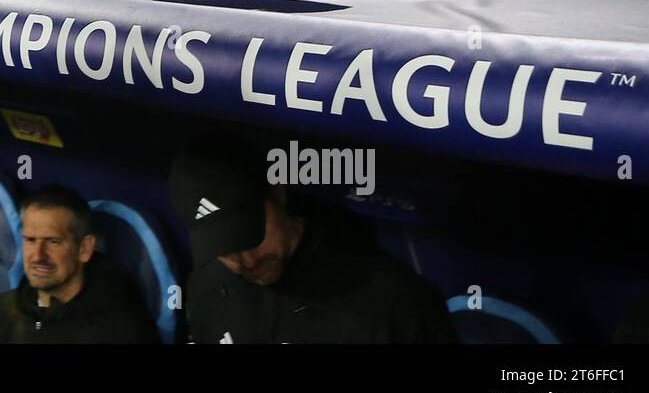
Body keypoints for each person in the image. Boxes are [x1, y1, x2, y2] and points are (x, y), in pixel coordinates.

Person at [168, 134, 456, 343]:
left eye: (251, 238)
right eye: (226, 250)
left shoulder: (391, 300)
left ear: (278, 192)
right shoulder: (205, 288)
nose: (248, 260)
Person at [0, 185, 159, 344]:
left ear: (84, 248)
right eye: (30, 240)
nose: (38, 255)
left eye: (53, 241)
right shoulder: (5, 311)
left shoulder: (122, 329)